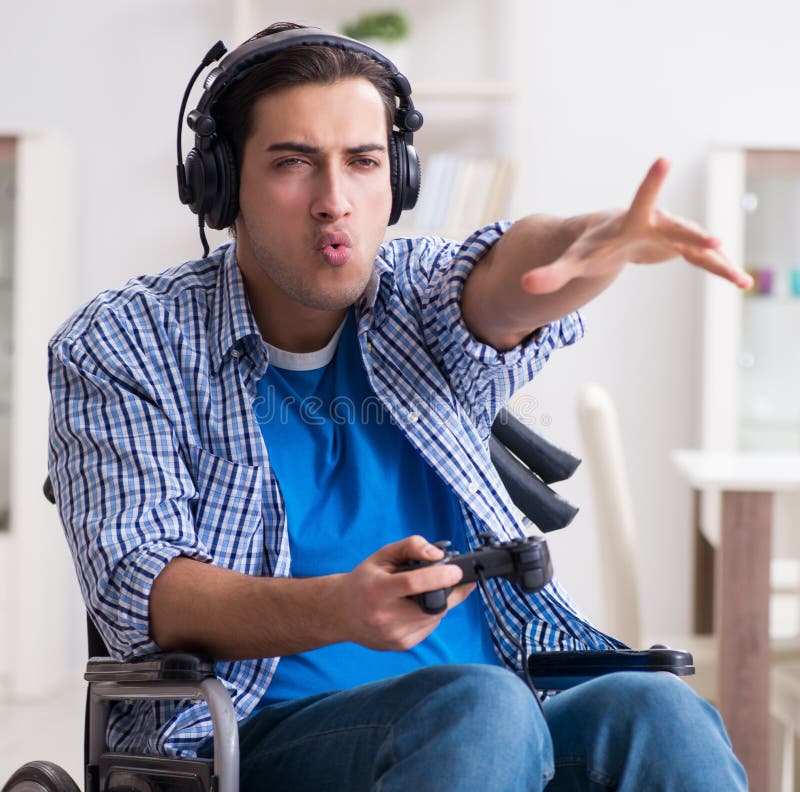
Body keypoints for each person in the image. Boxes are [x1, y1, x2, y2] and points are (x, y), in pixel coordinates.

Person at [48, 21, 749, 791]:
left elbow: (504, 280)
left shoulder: (414, 299)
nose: (333, 201)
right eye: (293, 163)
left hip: (500, 721)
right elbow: (142, 592)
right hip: (254, 742)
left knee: (658, 708)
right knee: (481, 708)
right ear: (220, 186)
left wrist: (597, 241)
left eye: (363, 161)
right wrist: (340, 608)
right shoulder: (124, 341)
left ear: (400, 181)